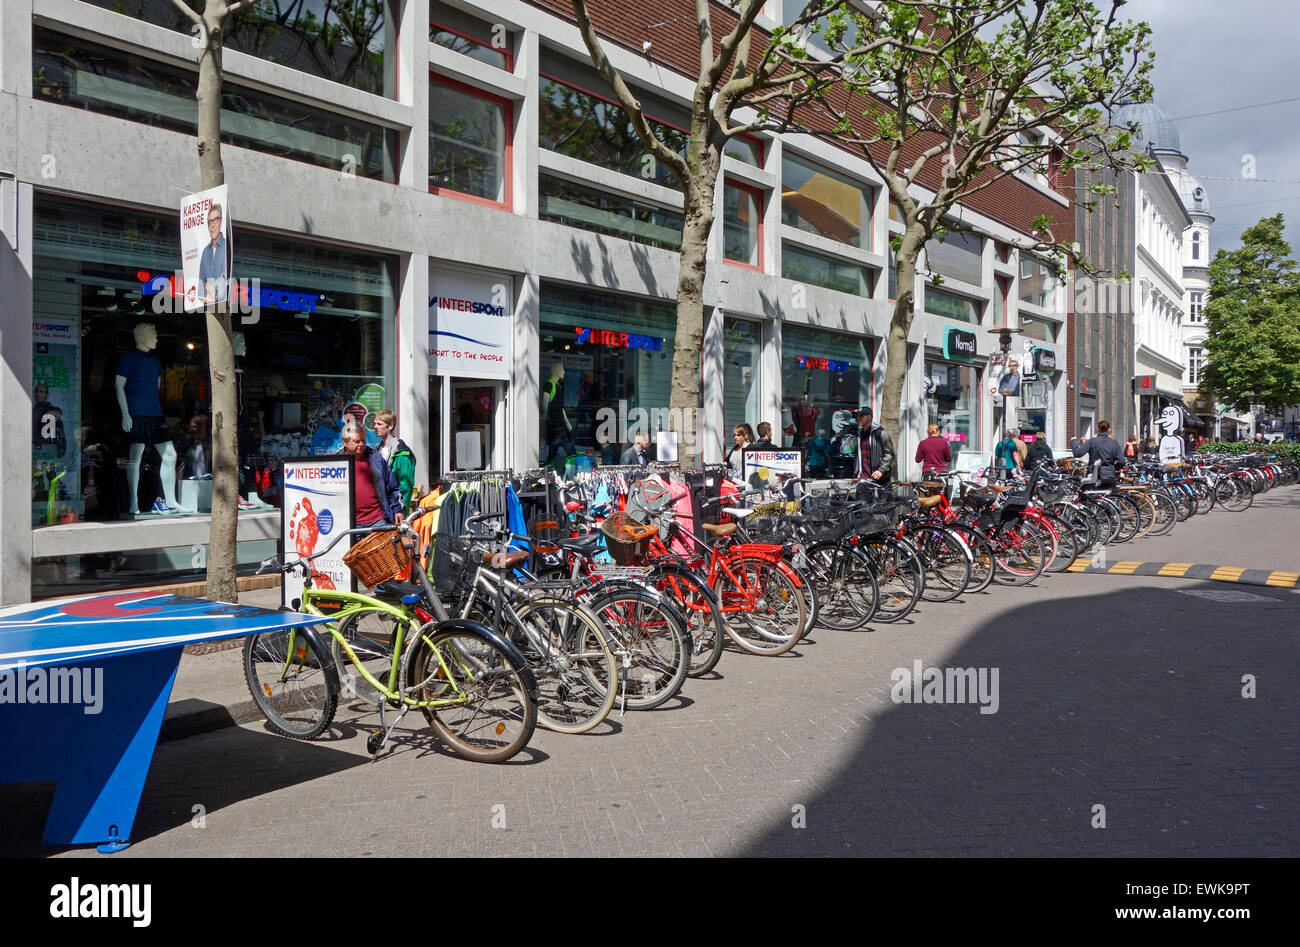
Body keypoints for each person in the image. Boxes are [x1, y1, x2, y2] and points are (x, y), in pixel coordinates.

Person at [340, 420, 403, 527]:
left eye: (363, 441)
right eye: (356, 441)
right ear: (345, 442)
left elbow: (392, 486)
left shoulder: (375, 458)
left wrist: (398, 509)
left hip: (377, 520)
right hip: (349, 523)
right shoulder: (337, 462)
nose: (361, 444)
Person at [373, 408, 416, 513]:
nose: (375, 427)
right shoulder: (377, 451)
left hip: (394, 508)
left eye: (379, 424)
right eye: (374, 424)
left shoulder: (402, 453)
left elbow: (405, 485)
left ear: (390, 426)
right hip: (379, 508)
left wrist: (400, 510)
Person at [1071, 420, 1126, 486]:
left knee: (1088, 493)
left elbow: (1077, 453)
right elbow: (1122, 461)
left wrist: (1074, 441)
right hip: (1109, 475)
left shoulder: (1092, 441)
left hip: (1093, 474)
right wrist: (1114, 468)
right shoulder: (1114, 443)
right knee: (1110, 494)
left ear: (1097, 428)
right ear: (1109, 429)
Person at [855, 406, 895, 485]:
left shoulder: (880, 433)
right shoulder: (859, 434)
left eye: (862, 416)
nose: (859, 418)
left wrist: (881, 470)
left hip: (879, 480)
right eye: (858, 416)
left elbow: (889, 453)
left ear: (869, 417)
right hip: (863, 479)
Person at [199, 202, 228, 304]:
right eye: (210, 221)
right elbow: (201, 283)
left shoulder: (226, 247)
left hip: (224, 305)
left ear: (221, 221)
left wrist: (208, 286)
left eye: (215, 220)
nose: (212, 225)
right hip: (209, 304)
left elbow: (225, 279)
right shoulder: (205, 252)